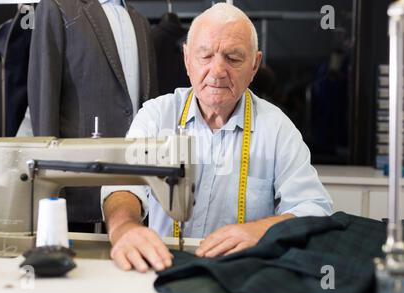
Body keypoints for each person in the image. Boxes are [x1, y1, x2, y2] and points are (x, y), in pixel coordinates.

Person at [101, 3, 333, 273]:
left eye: (233, 58)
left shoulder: (277, 129)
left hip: (243, 271)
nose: (218, 70)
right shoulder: (157, 115)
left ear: (255, 64)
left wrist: (261, 230)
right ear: (187, 59)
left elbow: (315, 208)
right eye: (205, 56)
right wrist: (124, 227)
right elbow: (123, 184)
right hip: (163, 267)